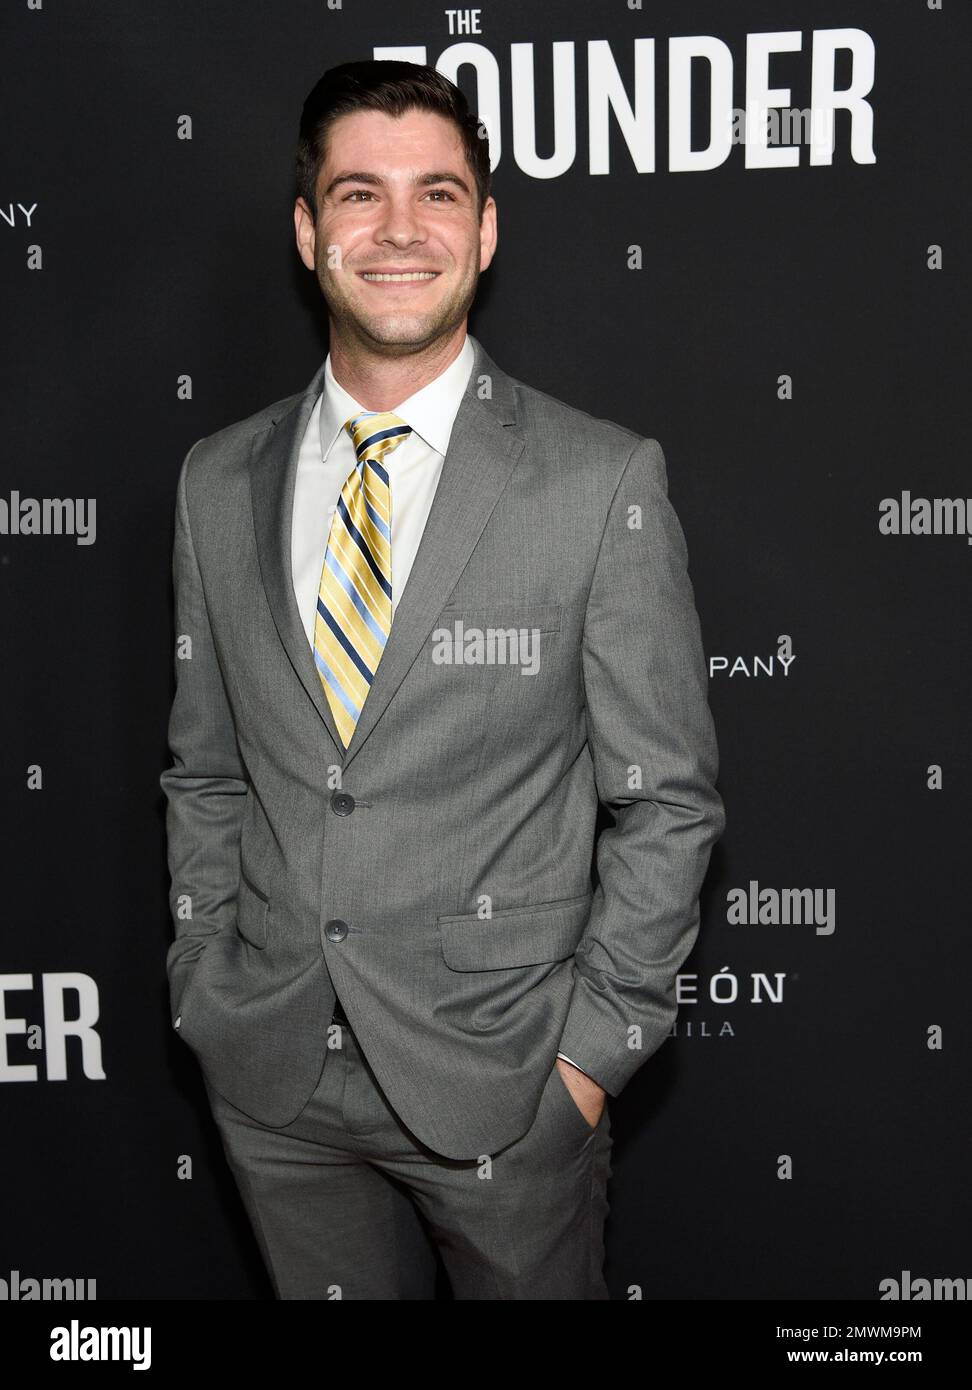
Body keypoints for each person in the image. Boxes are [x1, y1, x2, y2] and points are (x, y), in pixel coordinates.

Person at [160, 58, 725, 1300]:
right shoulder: (215, 480)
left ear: (486, 227)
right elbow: (204, 768)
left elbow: (668, 800)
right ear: (311, 233)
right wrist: (206, 972)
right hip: (271, 1077)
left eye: (439, 194)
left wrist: (580, 1065)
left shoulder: (599, 483)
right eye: (360, 194)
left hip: (507, 1088)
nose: (402, 230)